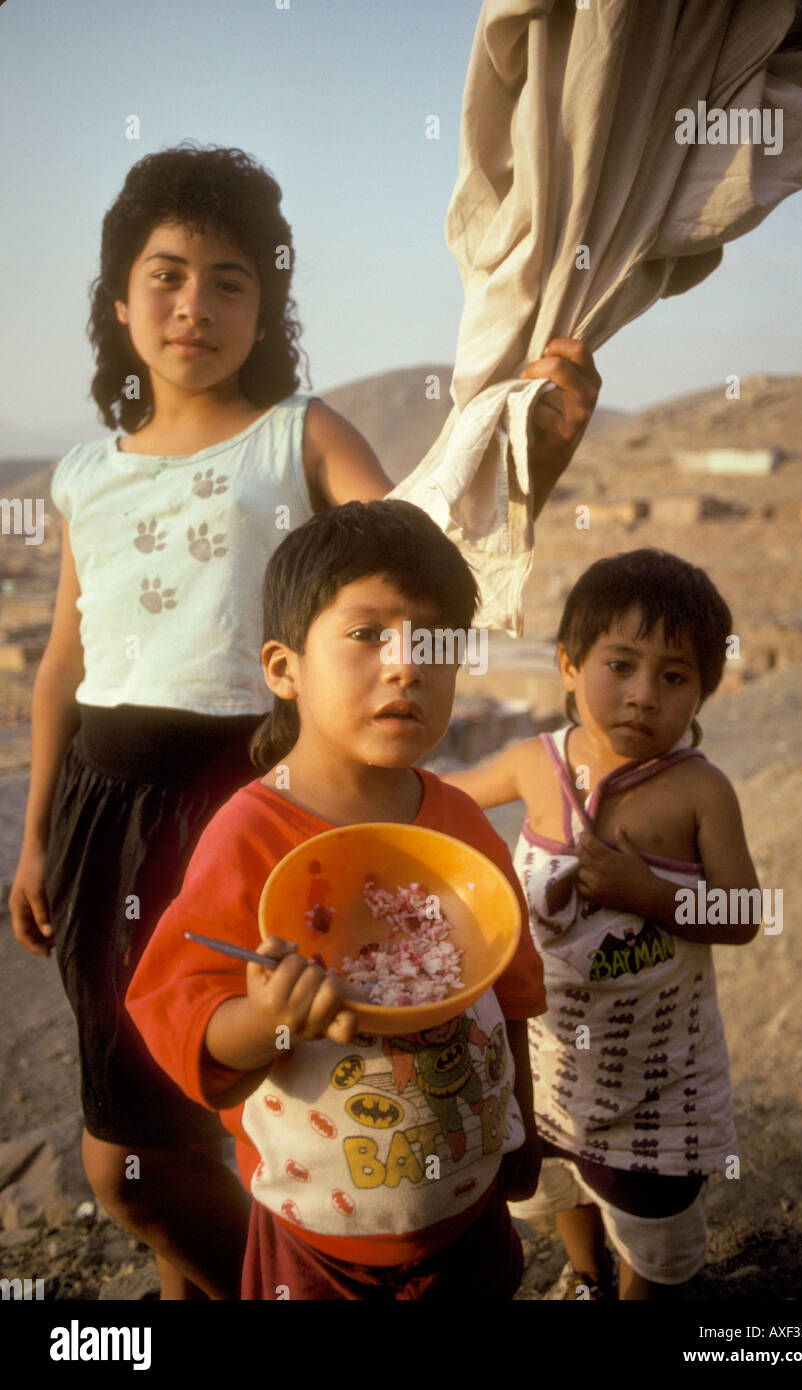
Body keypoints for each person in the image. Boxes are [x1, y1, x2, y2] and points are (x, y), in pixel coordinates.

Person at [8, 143, 597, 1299]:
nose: (196, 304)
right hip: (104, 817)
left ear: (265, 306)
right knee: (135, 1150)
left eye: (231, 280)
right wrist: (35, 834)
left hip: (257, 803)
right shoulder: (84, 471)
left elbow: (419, 550)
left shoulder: (299, 431)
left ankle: (317, 1263)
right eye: (168, 274)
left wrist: (537, 443)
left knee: (295, 1070)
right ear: (119, 298)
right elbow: (61, 669)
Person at [126, 500, 546, 1301]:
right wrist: (269, 1017)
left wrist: (522, 1125)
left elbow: (509, 986)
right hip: (322, 1244)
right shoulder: (249, 834)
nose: (406, 665)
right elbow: (180, 1010)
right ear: (284, 669)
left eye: (435, 641)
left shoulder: (458, 819)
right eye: (367, 634)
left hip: (468, 1216)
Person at [444, 548, 761, 1300]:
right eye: (620, 665)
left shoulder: (699, 793)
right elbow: (442, 799)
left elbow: (744, 914)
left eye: (674, 677)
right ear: (567, 665)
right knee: (559, 1182)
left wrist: (647, 893)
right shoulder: (532, 764)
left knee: (651, 1228)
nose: (643, 695)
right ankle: (586, 1277)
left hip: (659, 1078)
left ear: (701, 695)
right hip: (552, 1061)